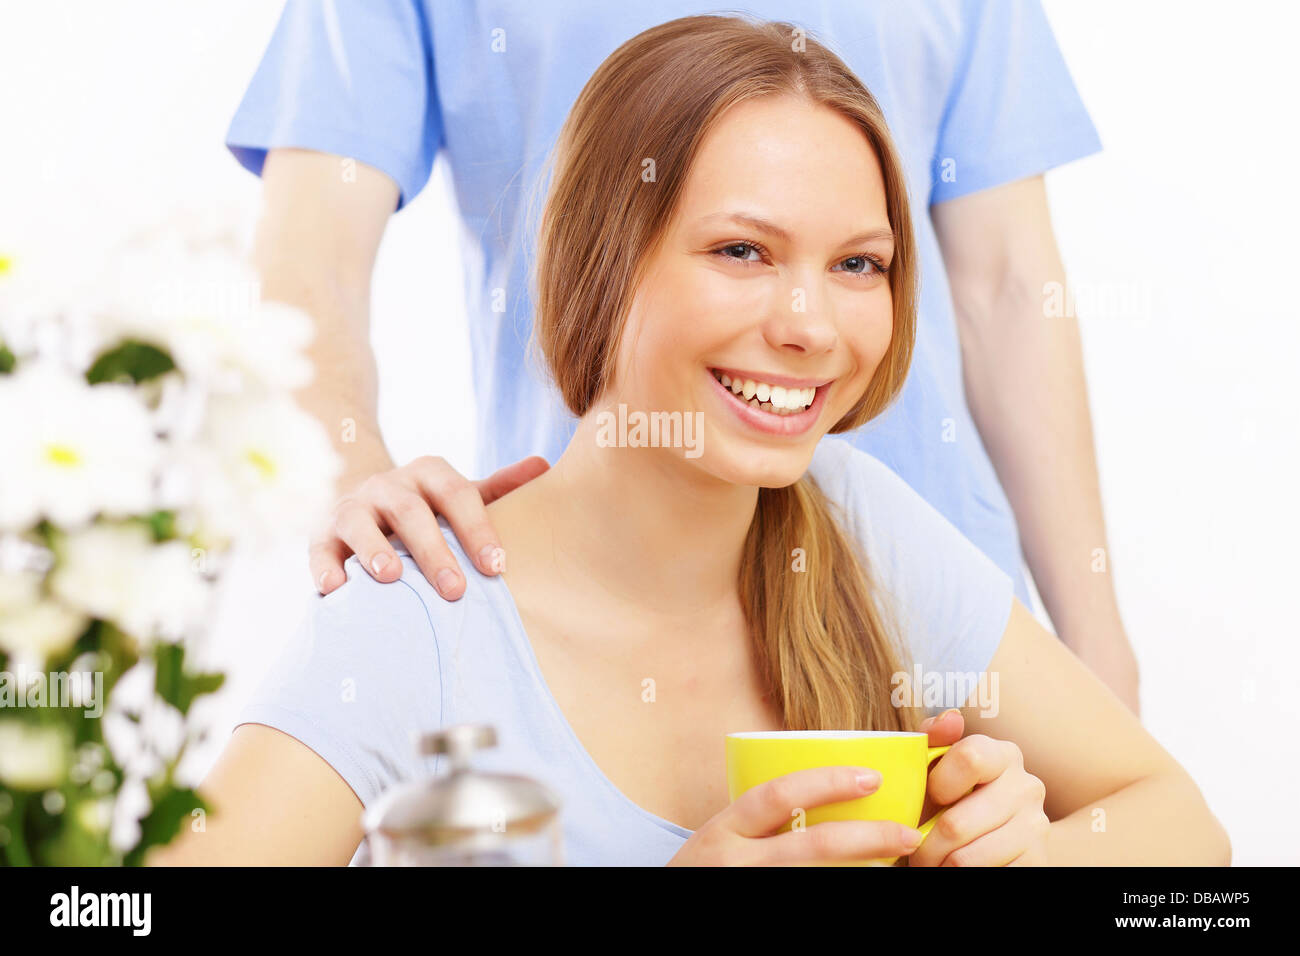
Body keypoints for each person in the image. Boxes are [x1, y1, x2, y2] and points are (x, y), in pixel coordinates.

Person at [153, 17, 1224, 866]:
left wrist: (1011, 848)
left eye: (861, 265)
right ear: (600, 264)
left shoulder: (867, 532)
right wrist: (361, 494)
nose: (809, 324)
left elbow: (1182, 831)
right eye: (740, 249)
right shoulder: (424, 625)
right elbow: (305, 267)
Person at [228, 0, 1141, 712]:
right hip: (587, 623)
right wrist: (370, 512)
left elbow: (1010, 290)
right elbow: (309, 264)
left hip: (929, 632)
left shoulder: (933, 588)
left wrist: (1096, 652)